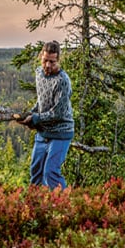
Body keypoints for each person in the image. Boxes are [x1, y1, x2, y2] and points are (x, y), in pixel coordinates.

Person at [16, 41, 75, 190]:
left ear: (59, 61)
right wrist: (31, 114)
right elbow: (42, 101)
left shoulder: (63, 81)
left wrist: (35, 118)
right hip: (43, 133)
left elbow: (58, 112)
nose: (48, 65)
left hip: (61, 132)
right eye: (45, 60)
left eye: (52, 62)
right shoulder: (39, 74)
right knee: (35, 172)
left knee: (51, 172)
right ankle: (36, 207)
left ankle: (64, 206)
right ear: (40, 58)